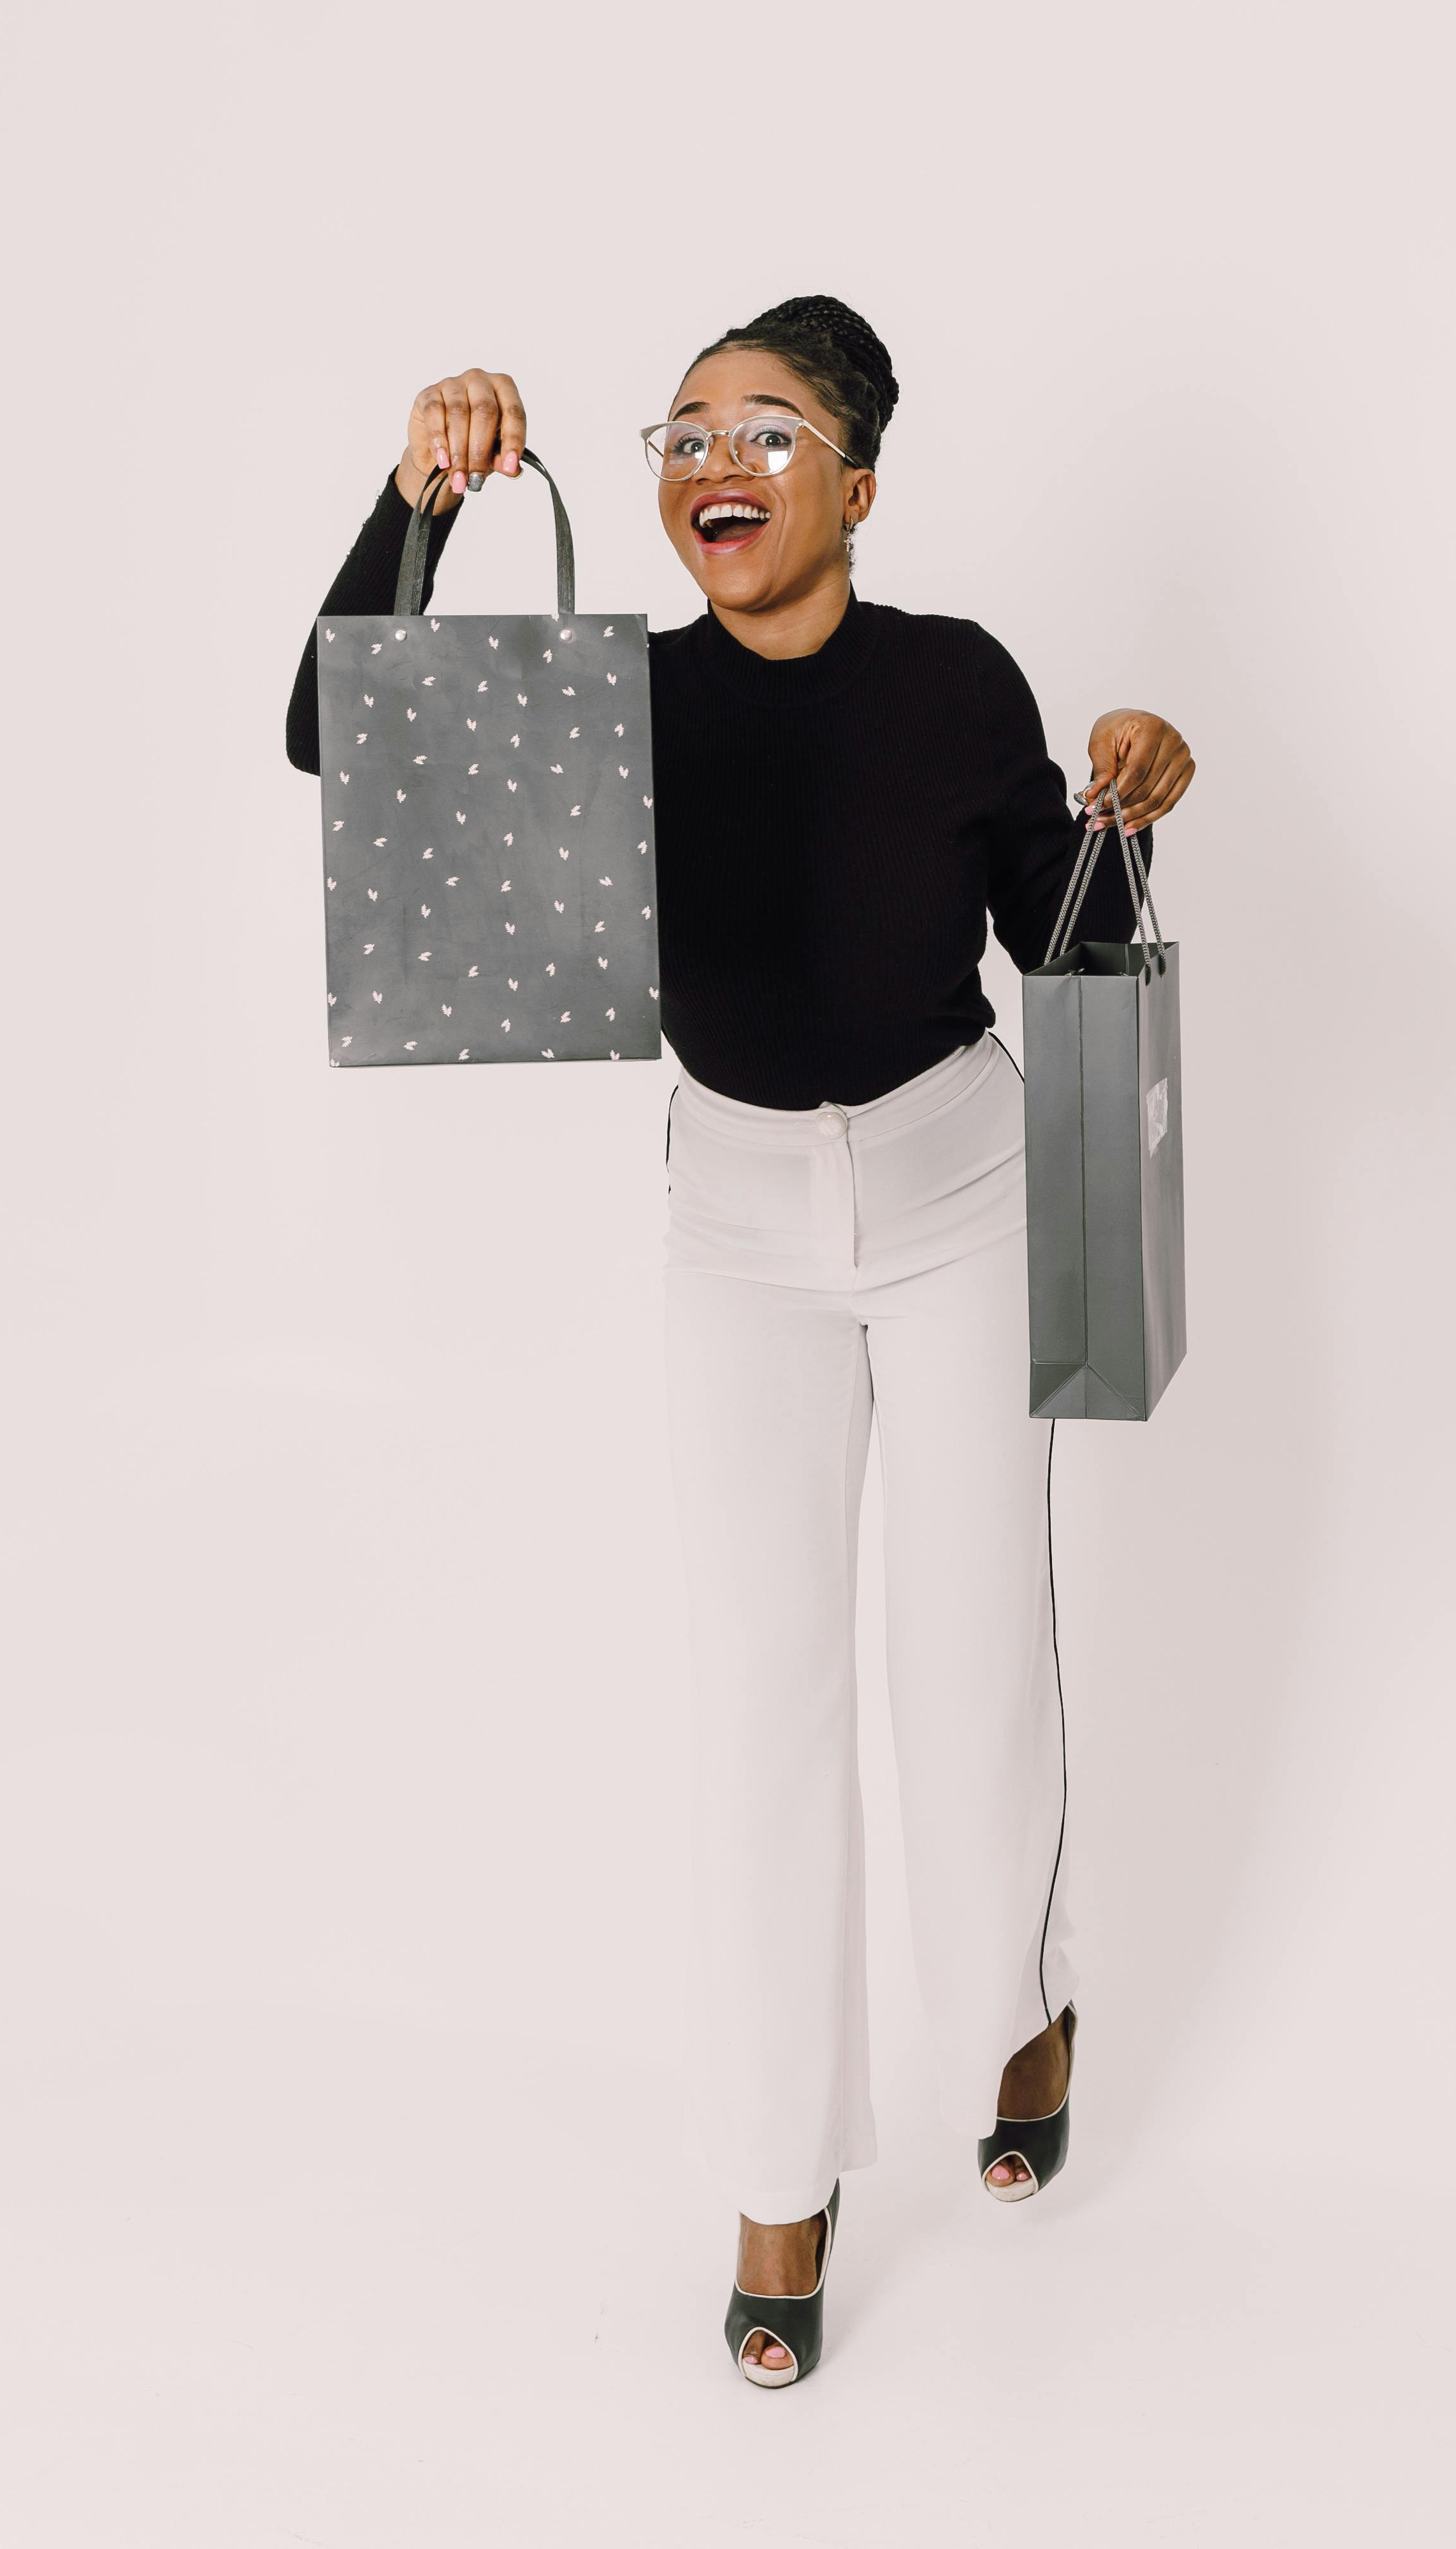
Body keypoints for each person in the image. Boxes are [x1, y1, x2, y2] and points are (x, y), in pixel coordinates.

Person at [282, 297, 1196, 2388]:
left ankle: (1019, 2006)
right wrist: (417, 504)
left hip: (964, 1200)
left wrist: (1127, 805)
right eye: (687, 430)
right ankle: (780, 2176)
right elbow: (339, 739)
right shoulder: (609, 696)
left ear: (855, 486)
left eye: (771, 432)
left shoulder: (956, 681)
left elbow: (1058, 935)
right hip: (739, 1226)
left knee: (968, 1664)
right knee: (763, 1704)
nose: (719, 459)